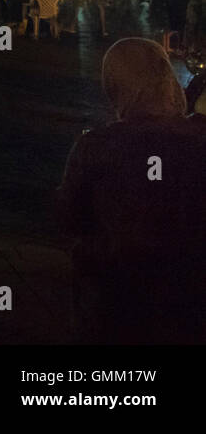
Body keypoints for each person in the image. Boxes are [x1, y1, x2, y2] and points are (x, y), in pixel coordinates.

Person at [57, 38, 206, 342]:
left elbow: (69, 218)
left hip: (111, 298)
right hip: (185, 299)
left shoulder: (95, 146)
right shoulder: (198, 142)